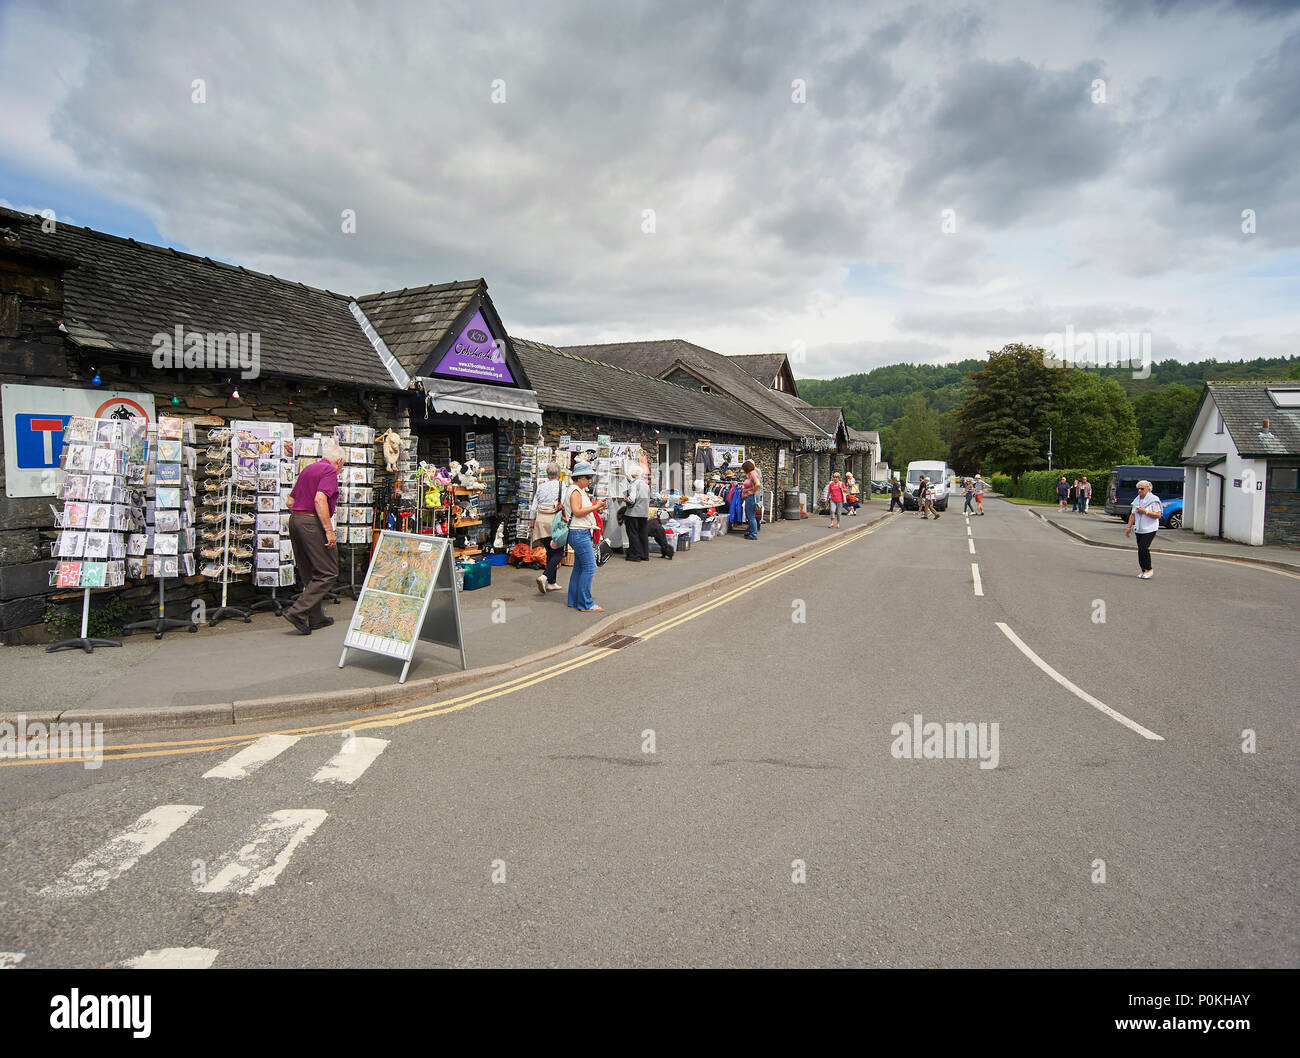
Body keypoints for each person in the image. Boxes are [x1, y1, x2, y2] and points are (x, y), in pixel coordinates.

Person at [283, 443, 345, 634]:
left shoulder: (309, 468)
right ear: (339, 461)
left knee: (309, 570)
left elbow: (290, 501)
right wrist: (328, 530)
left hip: (296, 520)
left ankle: (316, 618)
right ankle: (297, 611)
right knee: (328, 571)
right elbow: (320, 499)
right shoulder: (329, 471)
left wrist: (301, 516)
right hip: (311, 522)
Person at [566, 462, 607, 611]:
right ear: (580, 477)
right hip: (579, 532)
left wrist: (596, 505)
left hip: (577, 532)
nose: (590, 480)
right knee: (590, 567)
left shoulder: (576, 490)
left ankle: (574, 600)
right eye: (588, 477)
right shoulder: (576, 491)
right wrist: (596, 506)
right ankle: (585, 603)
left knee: (579, 567)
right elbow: (577, 511)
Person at [530, 462, 565, 594]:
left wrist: (532, 525)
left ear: (547, 474)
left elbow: (533, 507)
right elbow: (565, 504)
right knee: (558, 552)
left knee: (550, 551)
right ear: (559, 473)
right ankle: (544, 577)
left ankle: (552, 582)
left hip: (541, 521)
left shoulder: (541, 487)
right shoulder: (562, 486)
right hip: (554, 522)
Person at [1125, 479, 1162, 578]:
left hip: (1150, 528)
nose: (1139, 491)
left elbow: (1158, 515)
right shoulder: (1137, 500)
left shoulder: (1153, 500)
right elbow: (1132, 515)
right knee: (1140, 550)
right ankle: (1143, 570)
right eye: (1138, 489)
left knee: (1143, 547)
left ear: (1148, 489)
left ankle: (1149, 569)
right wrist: (1128, 527)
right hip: (1139, 528)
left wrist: (1145, 512)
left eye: (1142, 489)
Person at [622, 466, 651, 561]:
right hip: (644, 513)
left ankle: (635, 555)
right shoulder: (646, 485)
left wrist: (625, 499)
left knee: (633, 534)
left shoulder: (633, 485)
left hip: (633, 513)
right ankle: (644, 554)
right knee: (643, 533)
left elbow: (632, 499)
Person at [740, 459, 761, 539]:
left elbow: (757, 484)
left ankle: (753, 534)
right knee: (750, 516)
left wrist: (752, 492)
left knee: (751, 516)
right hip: (750, 497)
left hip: (751, 497)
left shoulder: (753, 474)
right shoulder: (752, 474)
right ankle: (751, 532)